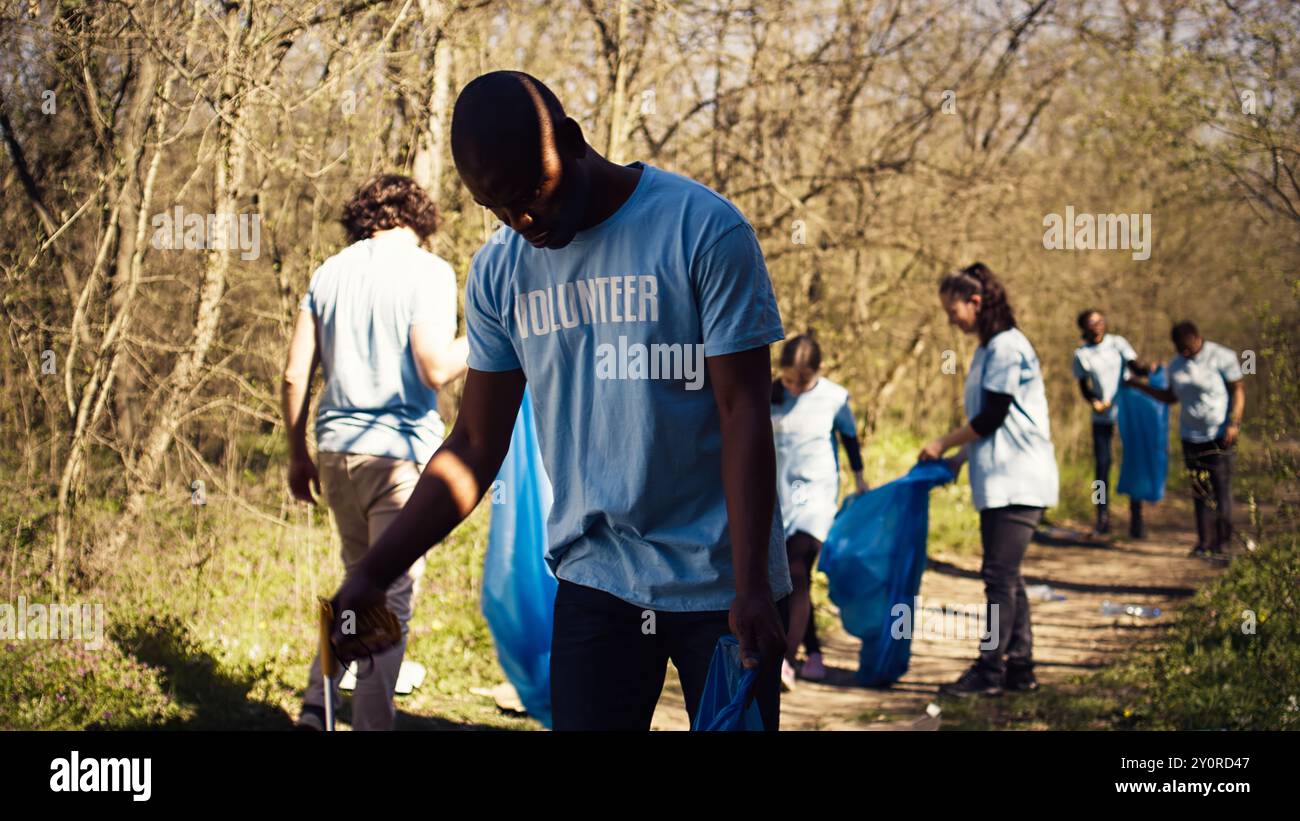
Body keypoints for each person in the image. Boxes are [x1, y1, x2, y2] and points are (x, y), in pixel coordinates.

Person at [329, 71, 793, 731]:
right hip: (597, 578)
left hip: (721, 584)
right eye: (497, 207)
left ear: (572, 142)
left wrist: (752, 585)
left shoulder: (701, 230)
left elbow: (744, 414)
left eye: (529, 193)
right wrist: (375, 569)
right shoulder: (500, 272)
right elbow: (475, 445)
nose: (522, 221)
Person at [282, 174, 469, 730]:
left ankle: (319, 704)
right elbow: (435, 367)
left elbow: (295, 374)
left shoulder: (328, 271)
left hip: (336, 450)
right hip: (400, 458)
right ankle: (366, 724)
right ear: (419, 218)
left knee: (359, 583)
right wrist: (493, 332)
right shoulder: (429, 271)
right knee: (389, 602)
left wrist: (298, 455)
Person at [919, 262, 1059, 697]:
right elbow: (990, 421)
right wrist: (960, 458)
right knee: (1008, 577)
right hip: (997, 479)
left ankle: (990, 671)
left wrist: (943, 442)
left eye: (952, 310)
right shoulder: (986, 351)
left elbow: (993, 417)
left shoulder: (1005, 347)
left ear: (976, 302)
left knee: (998, 577)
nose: (950, 320)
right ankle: (1020, 668)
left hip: (1018, 478)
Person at [770, 332, 867, 689]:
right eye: (789, 379)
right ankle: (814, 653)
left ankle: (785, 662)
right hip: (778, 498)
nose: (795, 387)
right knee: (790, 580)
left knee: (797, 570)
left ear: (819, 373)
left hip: (816, 497)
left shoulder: (834, 399)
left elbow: (850, 440)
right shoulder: (770, 393)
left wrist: (860, 480)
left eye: (803, 381)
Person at [1126, 321, 1245, 557]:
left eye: (1187, 346)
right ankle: (1203, 542)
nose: (1184, 351)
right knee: (1199, 491)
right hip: (1191, 436)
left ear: (1197, 337)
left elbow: (1238, 390)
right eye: (1179, 347)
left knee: (1221, 489)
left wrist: (1234, 422)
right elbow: (1170, 397)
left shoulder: (1221, 356)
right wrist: (1138, 386)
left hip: (1219, 434)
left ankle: (1223, 543)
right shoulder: (1176, 366)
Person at [1071, 309, 1157, 538]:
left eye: (1101, 320)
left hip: (1127, 411)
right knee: (1102, 467)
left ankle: (1136, 518)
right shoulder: (1081, 354)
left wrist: (1150, 369)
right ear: (1084, 328)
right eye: (1092, 323)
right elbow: (1084, 387)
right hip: (1102, 416)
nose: (1098, 325)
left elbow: (1135, 367)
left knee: (1133, 462)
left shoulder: (1118, 343)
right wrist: (1094, 401)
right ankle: (1102, 516)